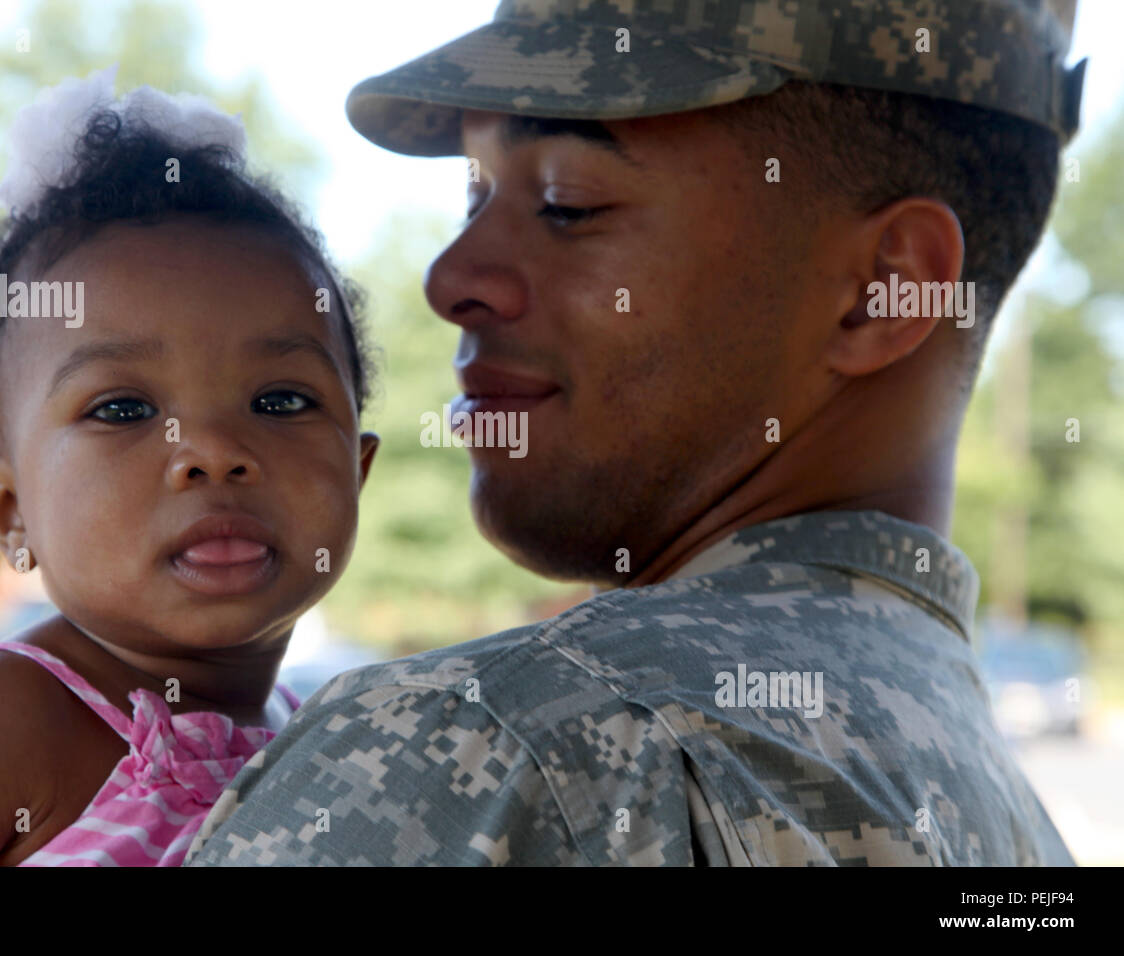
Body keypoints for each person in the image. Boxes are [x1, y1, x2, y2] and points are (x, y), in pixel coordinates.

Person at [187, 0, 1086, 866]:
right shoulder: (1005, 817)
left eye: (568, 204)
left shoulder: (491, 746)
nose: (451, 276)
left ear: (880, 292)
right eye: (475, 194)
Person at [0, 67, 380, 866]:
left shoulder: (323, 736)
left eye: (282, 401)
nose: (214, 452)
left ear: (357, 470)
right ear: (8, 509)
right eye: (123, 410)